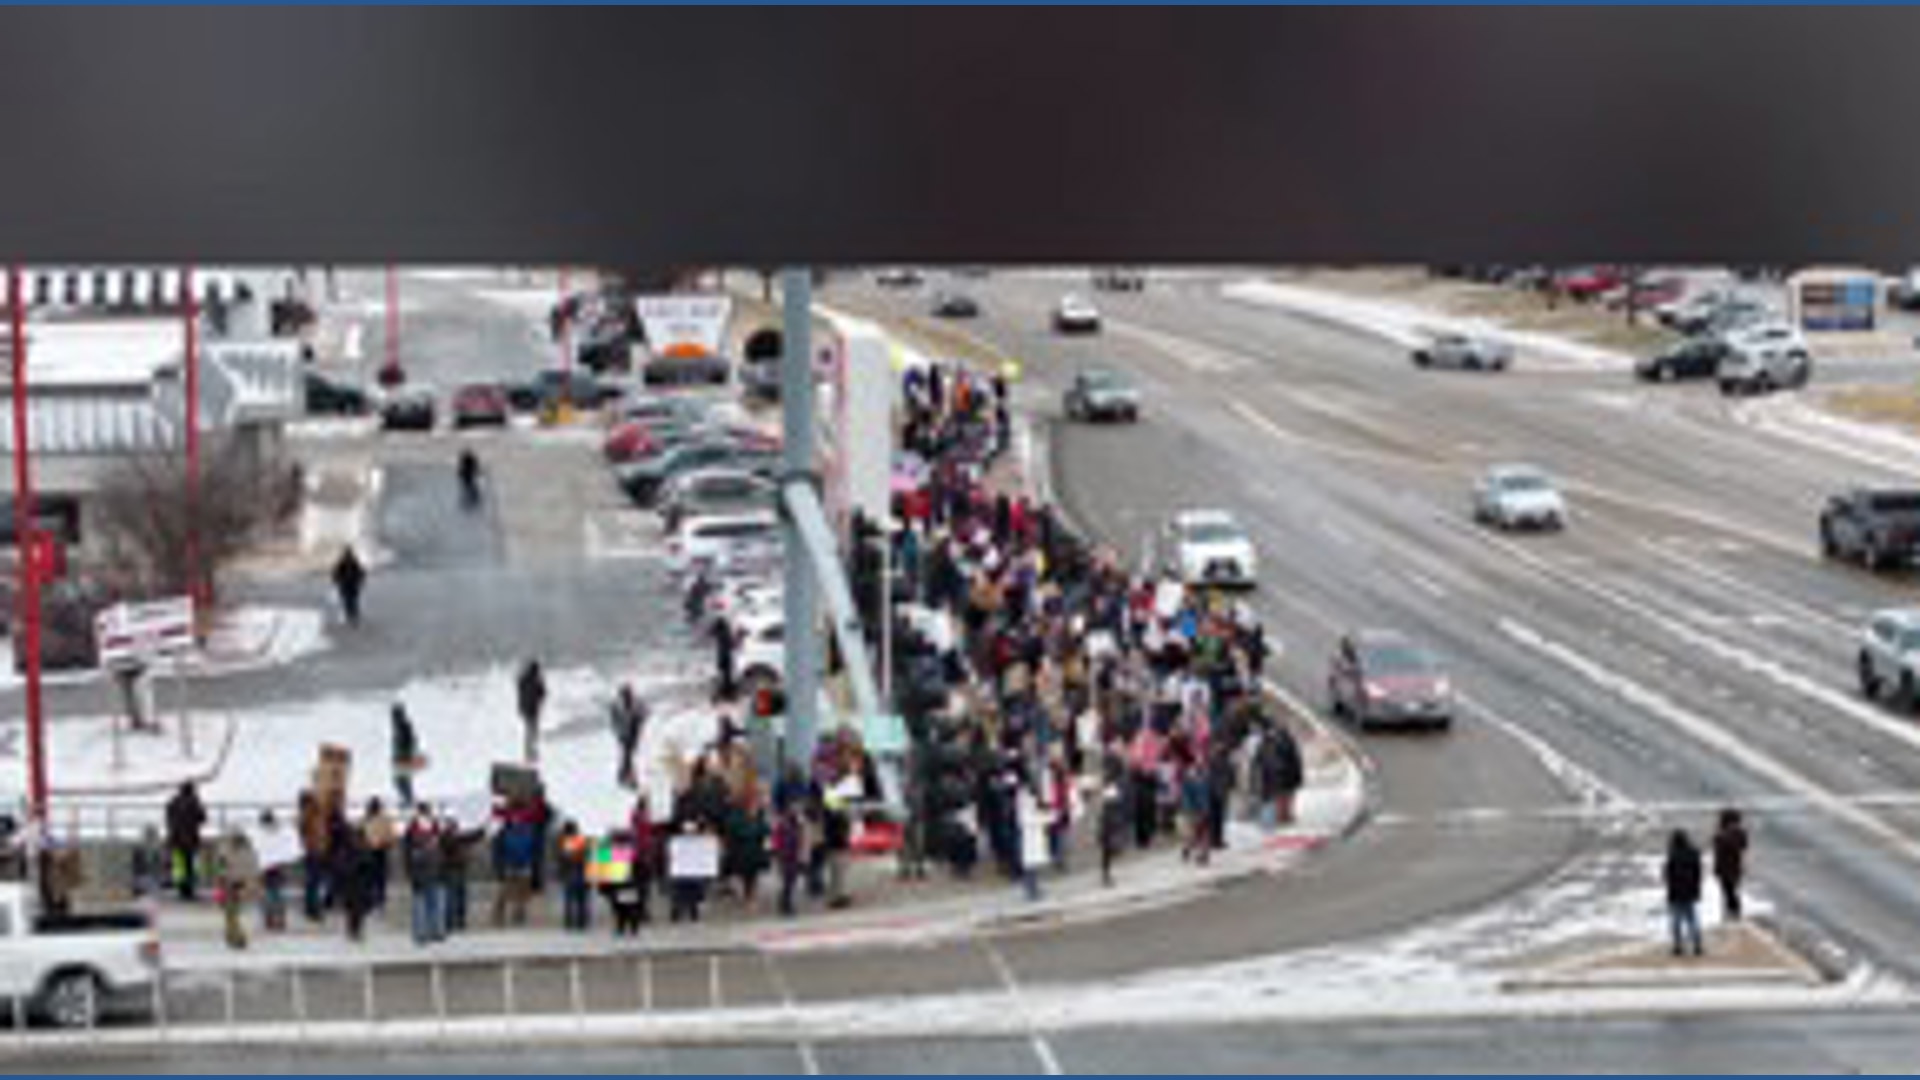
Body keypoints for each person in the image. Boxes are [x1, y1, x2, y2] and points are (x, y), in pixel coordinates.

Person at [403, 803, 445, 946]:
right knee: (422, 904)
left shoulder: (434, 827)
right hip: (422, 873)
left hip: (433, 871)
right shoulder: (414, 830)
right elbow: (408, 855)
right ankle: (423, 933)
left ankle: (434, 931)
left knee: (433, 903)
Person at [212, 827, 258, 951]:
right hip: (232, 883)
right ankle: (234, 936)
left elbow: (220, 866)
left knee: (232, 912)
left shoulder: (227, 849)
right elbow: (252, 868)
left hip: (235, 883)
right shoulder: (247, 850)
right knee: (231, 912)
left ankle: (236, 937)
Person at [1664, 829, 1705, 958]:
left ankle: (1678, 946)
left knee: (1676, 920)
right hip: (1691, 890)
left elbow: (1668, 875)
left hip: (1676, 891)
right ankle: (1697, 945)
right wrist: (1697, 888)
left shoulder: (1673, 854)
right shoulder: (1694, 853)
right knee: (1692, 919)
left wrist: (1669, 889)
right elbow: (1698, 873)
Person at [492, 810, 537, 928]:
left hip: (524, 865)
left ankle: (519, 915)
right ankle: (498, 916)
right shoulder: (506, 833)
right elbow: (501, 850)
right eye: (514, 819)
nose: (516, 821)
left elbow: (532, 849)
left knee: (522, 893)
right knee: (504, 891)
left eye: (518, 819)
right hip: (510, 865)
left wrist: (530, 864)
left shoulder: (528, 833)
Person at [1255, 719, 1304, 830]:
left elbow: (1260, 760)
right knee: (1282, 796)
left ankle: (1283, 816)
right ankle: (1282, 816)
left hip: (1280, 774)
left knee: (1282, 796)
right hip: (1281, 774)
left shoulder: (1271, 742)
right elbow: (1294, 759)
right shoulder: (1279, 741)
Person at [165, 781, 208, 901]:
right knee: (190, 865)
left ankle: (181, 889)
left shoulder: (173, 802)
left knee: (179, 865)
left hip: (176, 839)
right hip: (190, 839)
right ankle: (189, 890)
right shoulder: (194, 802)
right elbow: (203, 818)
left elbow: (168, 819)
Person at [298, 791, 333, 922]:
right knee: (314, 882)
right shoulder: (309, 815)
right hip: (314, 851)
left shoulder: (312, 815)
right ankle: (313, 909)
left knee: (313, 882)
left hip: (315, 850)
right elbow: (306, 831)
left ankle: (312, 908)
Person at [255, 809, 290, 933]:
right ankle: (280, 919)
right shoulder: (279, 834)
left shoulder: (261, 835)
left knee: (267, 895)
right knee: (277, 895)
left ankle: (269, 919)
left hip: (266, 868)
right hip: (277, 868)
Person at [361, 797, 397, 912]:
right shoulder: (365, 819)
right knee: (369, 878)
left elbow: (391, 835)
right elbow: (359, 833)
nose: (373, 808)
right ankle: (370, 901)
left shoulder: (385, 819)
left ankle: (379, 901)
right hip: (368, 852)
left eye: (374, 806)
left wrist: (385, 842)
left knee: (379, 878)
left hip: (380, 851)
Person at [1712, 808, 1749, 922]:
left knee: (1728, 891)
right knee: (1731, 890)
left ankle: (1732, 912)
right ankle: (1733, 911)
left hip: (1725, 867)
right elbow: (1744, 846)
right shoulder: (1740, 834)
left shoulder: (1722, 835)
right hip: (1735, 866)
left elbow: (1718, 849)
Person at [610, 685, 648, 790]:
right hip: (625, 735)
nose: (628, 696)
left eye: (629, 694)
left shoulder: (637, 703)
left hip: (634, 733)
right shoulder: (616, 706)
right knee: (628, 756)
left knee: (631, 756)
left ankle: (626, 776)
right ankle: (627, 777)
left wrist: (641, 718)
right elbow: (614, 721)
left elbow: (646, 713)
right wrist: (619, 734)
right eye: (626, 694)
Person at [557, 820, 592, 932]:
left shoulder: (566, 842)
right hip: (583, 873)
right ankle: (581, 922)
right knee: (581, 900)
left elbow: (565, 859)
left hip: (572, 873)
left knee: (570, 900)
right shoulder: (582, 841)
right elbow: (588, 857)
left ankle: (570, 923)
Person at [390, 703, 421, 810]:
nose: (392, 718)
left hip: (404, 757)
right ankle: (407, 800)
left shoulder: (405, 725)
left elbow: (412, 741)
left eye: (394, 715)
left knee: (402, 780)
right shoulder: (398, 726)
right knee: (400, 780)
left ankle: (408, 800)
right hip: (400, 757)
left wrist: (408, 755)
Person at [517, 659, 547, 765]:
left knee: (529, 731)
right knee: (532, 731)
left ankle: (529, 753)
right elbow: (543, 693)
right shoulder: (535, 681)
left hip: (524, 708)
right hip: (533, 709)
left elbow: (519, 686)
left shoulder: (523, 679)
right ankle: (530, 754)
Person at [332, 545, 367, 627]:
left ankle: (352, 616)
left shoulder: (348, 563)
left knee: (350, 601)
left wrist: (336, 581)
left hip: (349, 585)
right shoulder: (349, 563)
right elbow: (336, 574)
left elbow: (360, 572)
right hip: (349, 585)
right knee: (351, 601)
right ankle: (352, 616)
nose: (348, 555)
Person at [130, 824, 166, 900]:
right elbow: (137, 868)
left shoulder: (157, 849)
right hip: (144, 879)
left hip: (149, 880)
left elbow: (159, 867)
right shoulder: (140, 849)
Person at [713, 615, 738, 702]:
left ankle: (726, 694)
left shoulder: (720, 633)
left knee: (724, 678)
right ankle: (728, 695)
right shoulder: (725, 633)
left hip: (723, 658)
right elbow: (732, 645)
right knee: (727, 678)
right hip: (727, 659)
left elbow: (727, 647)